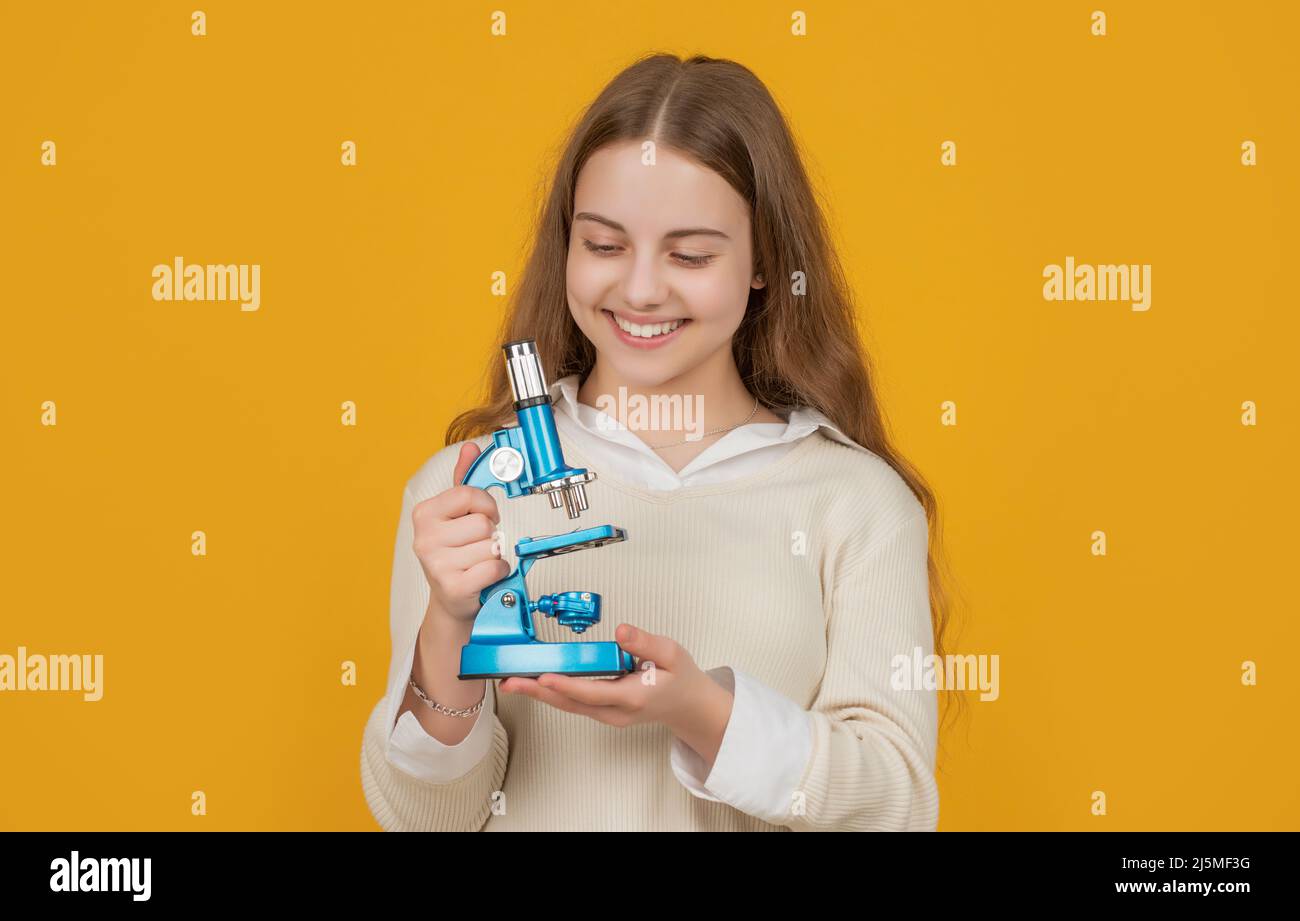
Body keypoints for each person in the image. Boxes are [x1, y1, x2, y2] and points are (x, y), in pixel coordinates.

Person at [360, 52, 958, 831]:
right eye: (605, 245)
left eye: (690, 255)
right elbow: (425, 821)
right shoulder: (456, 496)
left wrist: (706, 713)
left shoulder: (856, 503)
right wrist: (447, 622)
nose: (641, 289)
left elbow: (899, 806)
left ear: (763, 265)